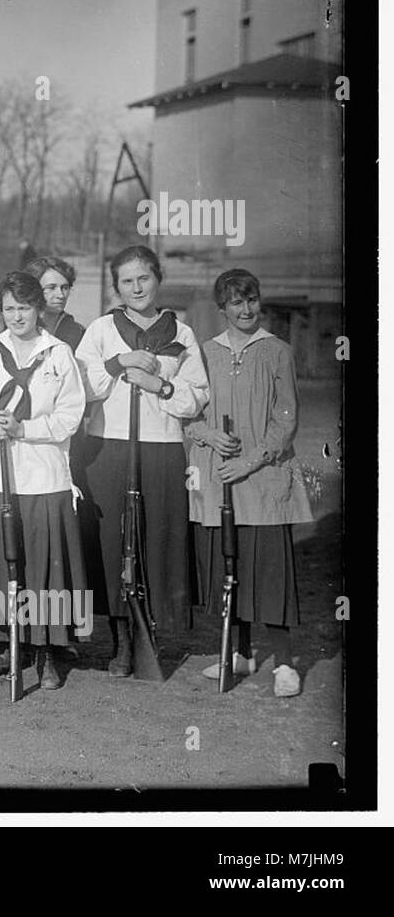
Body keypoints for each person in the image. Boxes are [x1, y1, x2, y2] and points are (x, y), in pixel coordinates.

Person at [77, 245, 209, 676]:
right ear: (116, 287)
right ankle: (119, 641)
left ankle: (150, 633)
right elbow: (81, 387)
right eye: (127, 281)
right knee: (114, 543)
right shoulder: (100, 329)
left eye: (143, 278)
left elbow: (197, 399)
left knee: (156, 538)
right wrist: (121, 362)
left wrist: (160, 386)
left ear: (158, 279)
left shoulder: (182, 333)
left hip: (160, 447)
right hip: (108, 448)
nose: (136, 288)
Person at [186, 269, 313, 697]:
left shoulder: (277, 351)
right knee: (230, 565)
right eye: (236, 303)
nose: (246, 309)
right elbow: (189, 414)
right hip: (219, 478)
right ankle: (239, 654)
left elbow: (287, 420)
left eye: (252, 300)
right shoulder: (203, 354)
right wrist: (209, 435)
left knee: (272, 572)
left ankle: (283, 663)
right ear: (222, 309)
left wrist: (251, 461)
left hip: (263, 479)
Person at [0, 272, 89, 690]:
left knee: (43, 565)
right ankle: (9, 646)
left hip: (43, 474)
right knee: (5, 562)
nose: (16, 316)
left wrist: (25, 430)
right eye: (9, 308)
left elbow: (70, 416)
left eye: (23, 307)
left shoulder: (58, 354)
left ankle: (46, 650)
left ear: (38, 308)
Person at [26, 255, 86, 351]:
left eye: (65, 288)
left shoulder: (78, 333)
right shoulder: (19, 327)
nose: (61, 295)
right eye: (51, 287)